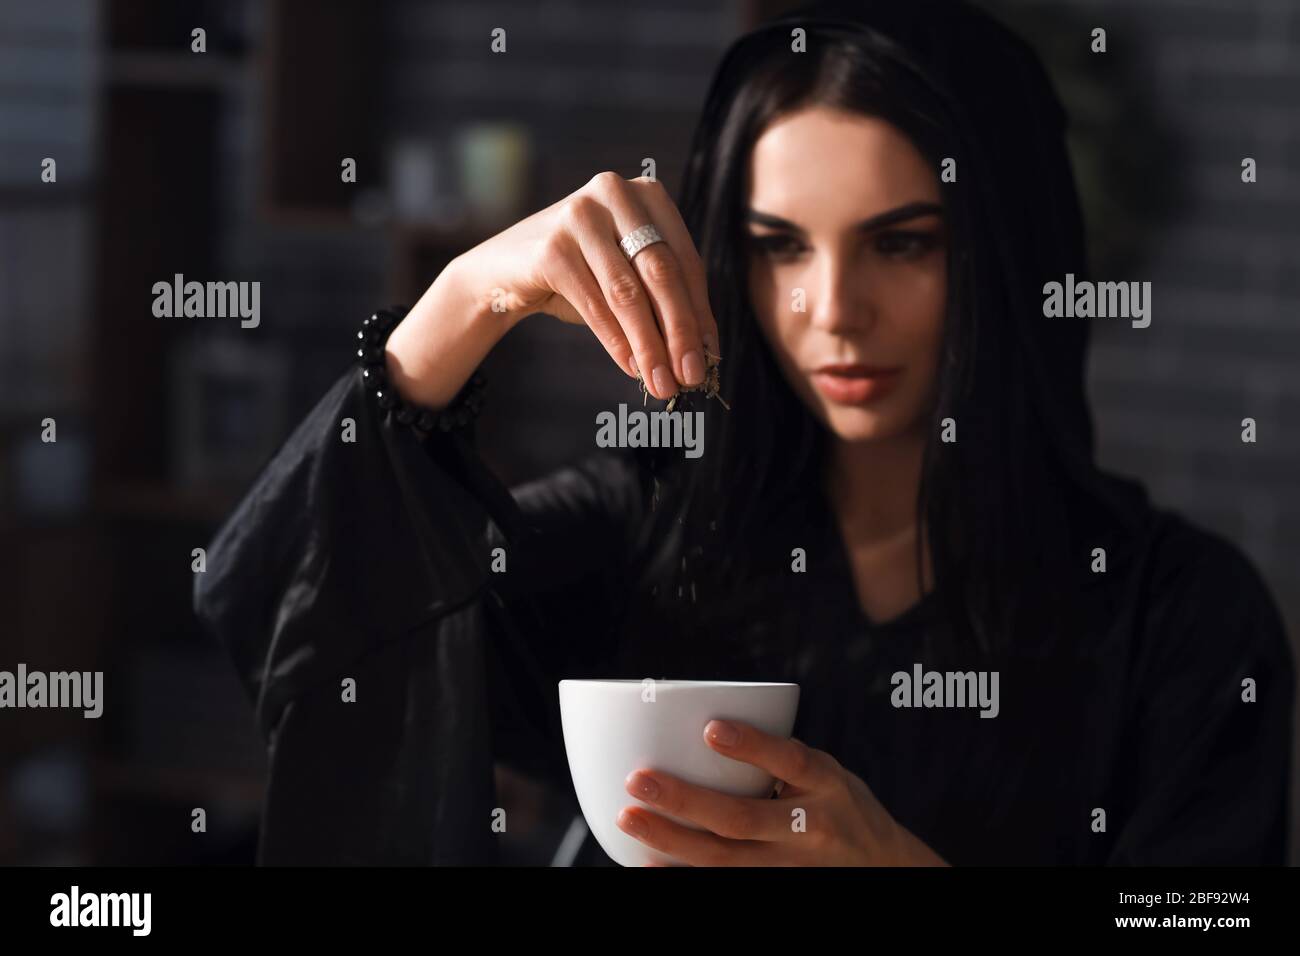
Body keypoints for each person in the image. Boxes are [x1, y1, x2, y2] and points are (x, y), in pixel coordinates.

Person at [193, 0, 1293, 865]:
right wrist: (461, 302)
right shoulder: (647, 533)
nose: (833, 310)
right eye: (779, 248)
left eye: (901, 244)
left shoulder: (1180, 619)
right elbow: (293, 621)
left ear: (1009, 256)